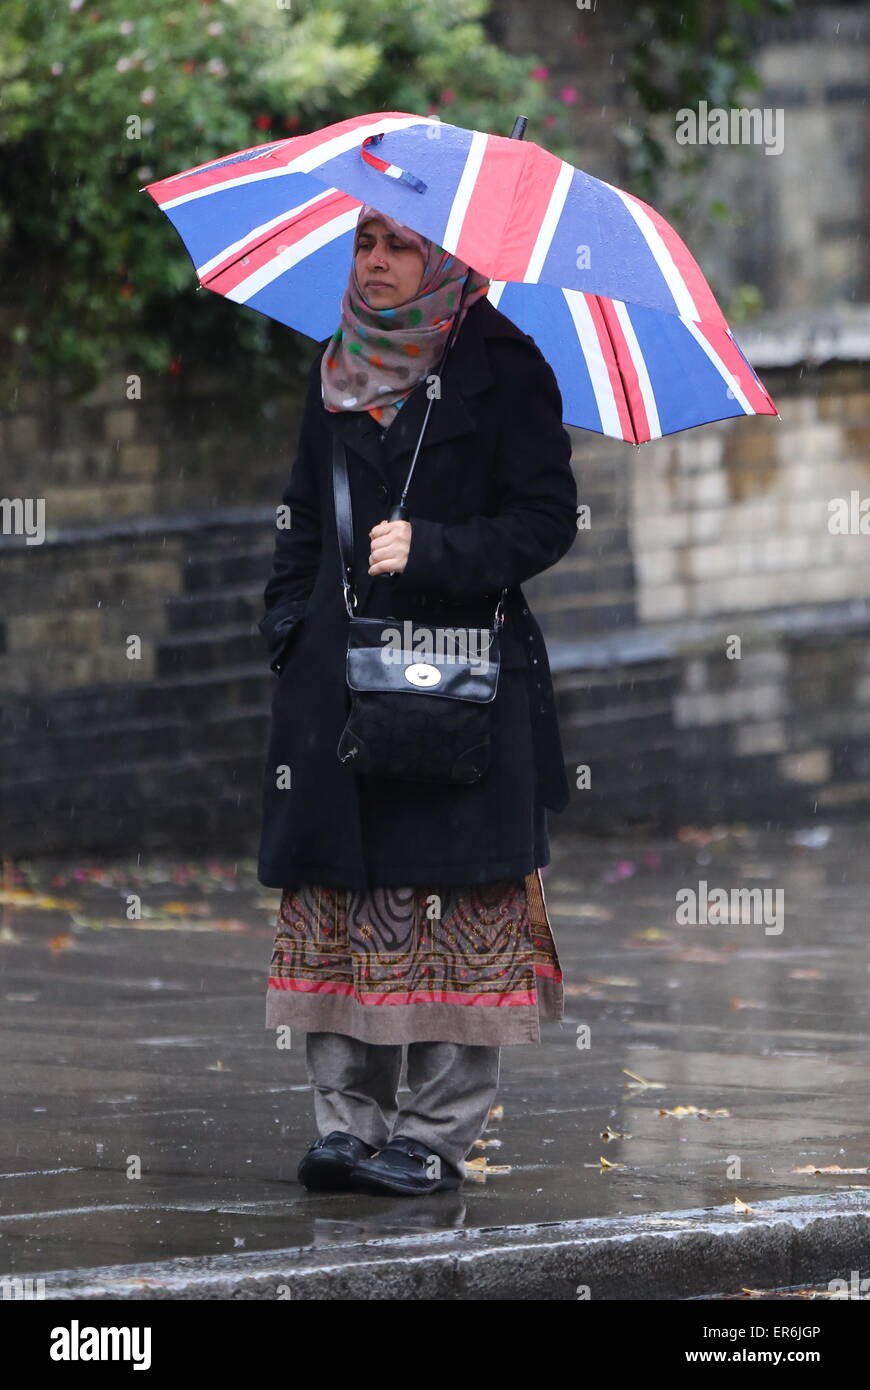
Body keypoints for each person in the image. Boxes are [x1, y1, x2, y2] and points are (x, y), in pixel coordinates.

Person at [258, 203, 578, 1196]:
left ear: (444, 258)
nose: (380, 262)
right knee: (343, 893)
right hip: (336, 682)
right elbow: (305, 514)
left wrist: (434, 550)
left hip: (458, 678)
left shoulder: (503, 362)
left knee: (452, 900)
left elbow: (546, 519)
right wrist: (287, 621)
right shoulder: (336, 365)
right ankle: (346, 1124)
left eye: (401, 245)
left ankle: (434, 1134)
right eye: (366, 243)